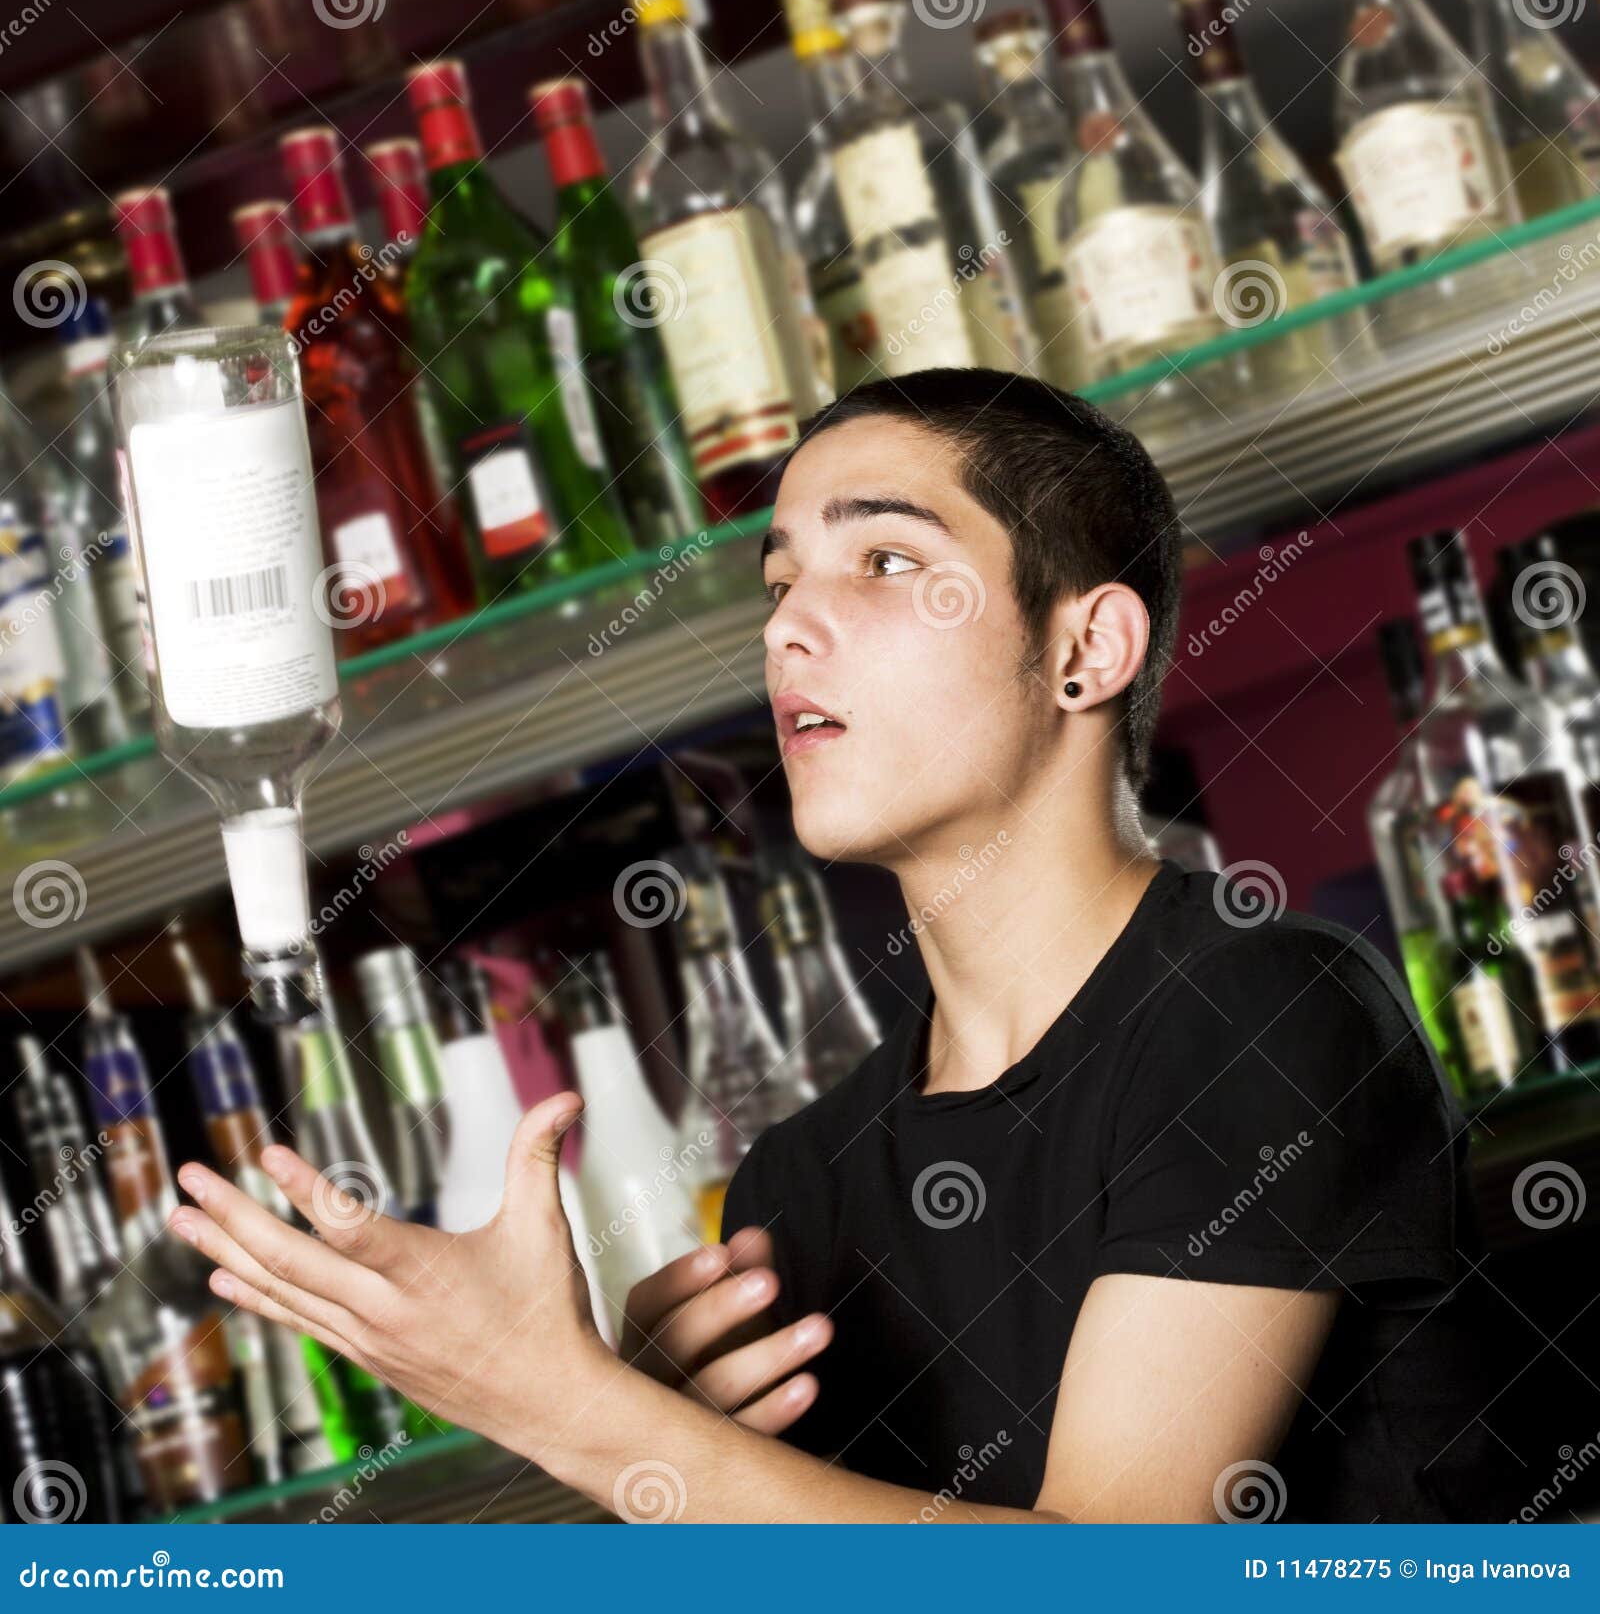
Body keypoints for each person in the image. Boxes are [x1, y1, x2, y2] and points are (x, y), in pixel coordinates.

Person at [168, 369, 1508, 1522]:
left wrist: (561, 1405)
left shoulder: (1265, 1013)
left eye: (883, 562)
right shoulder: (798, 1192)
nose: (787, 624)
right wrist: (670, 1459)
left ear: (1085, 647)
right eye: (780, 578)